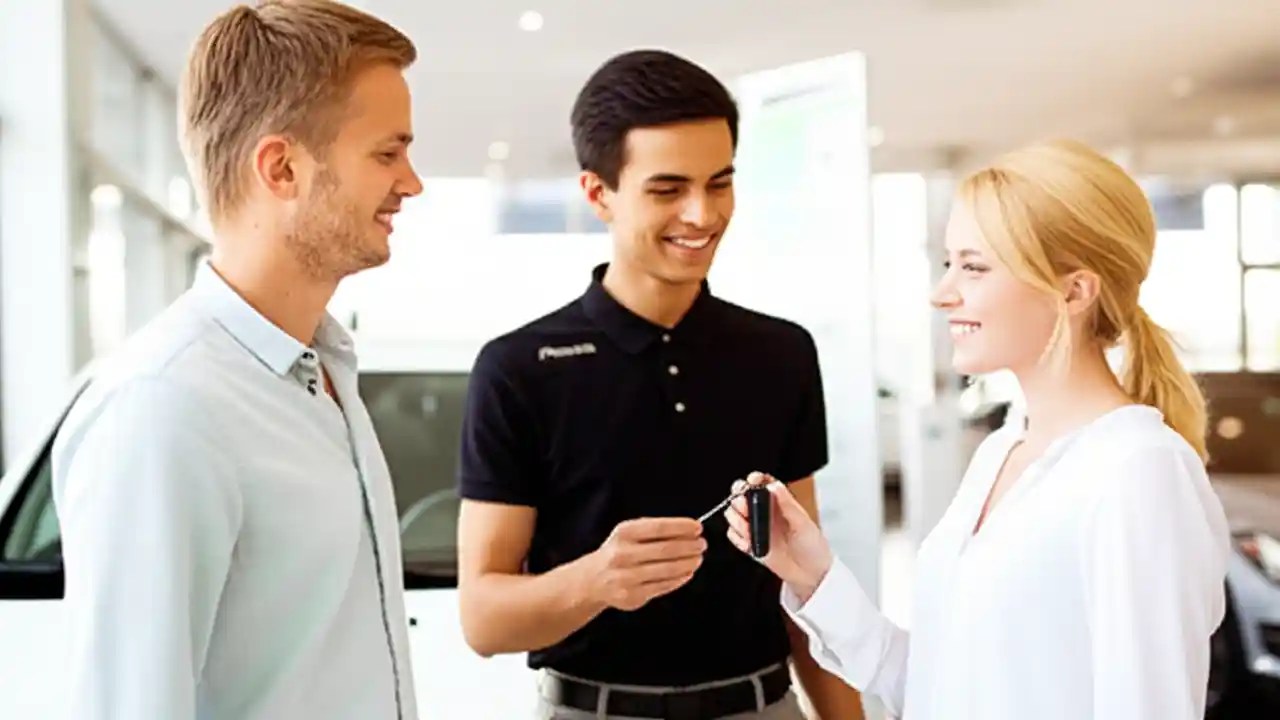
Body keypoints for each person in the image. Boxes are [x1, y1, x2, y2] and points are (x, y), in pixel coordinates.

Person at [724, 139, 1231, 720]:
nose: (943, 293)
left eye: (974, 267)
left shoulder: (1138, 470)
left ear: (1074, 290)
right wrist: (812, 573)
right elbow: (936, 687)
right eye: (948, 263)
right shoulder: (1003, 450)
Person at [455, 49, 865, 720]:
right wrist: (597, 580)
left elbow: (803, 583)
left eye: (720, 182)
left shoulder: (782, 353)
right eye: (668, 189)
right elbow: (483, 621)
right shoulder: (519, 369)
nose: (702, 214)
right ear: (598, 194)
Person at [50, 2, 423, 718]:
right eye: (387, 152)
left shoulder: (324, 371)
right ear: (281, 167)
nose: (411, 182)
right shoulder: (164, 410)